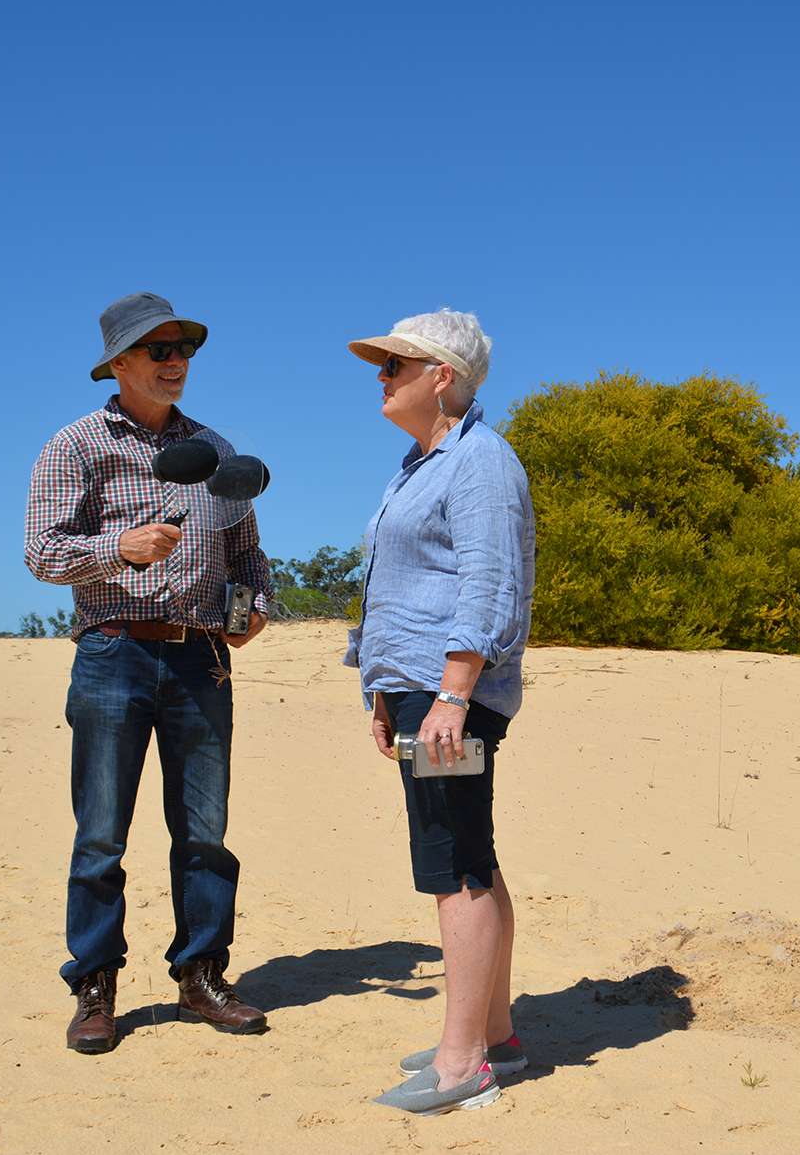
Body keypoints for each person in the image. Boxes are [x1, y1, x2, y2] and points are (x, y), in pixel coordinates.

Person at [25, 291, 272, 1054]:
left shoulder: (218, 450)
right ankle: (94, 987)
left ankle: (201, 974)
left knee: (205, 831)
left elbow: (247, 554)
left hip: (201, 655)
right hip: (112, 651)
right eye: (158, 350)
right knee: (101, 832)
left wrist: (257, 604)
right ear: (120, 363)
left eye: (184, 350)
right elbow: (41, 553)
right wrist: (117, 549)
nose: (175, 363)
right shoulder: (75, 445)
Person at [341, 309, 535, 1116]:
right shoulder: (417, 465)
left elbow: (487, 583)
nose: (381, 376)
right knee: (470, 854)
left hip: (452, 695)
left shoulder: (480, 461)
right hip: (419, 690)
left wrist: (452, 695)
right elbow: (402, 588)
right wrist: (382, 690)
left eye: (396, 364)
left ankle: (464, 1062)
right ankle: (497, 1035)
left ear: (441, 376)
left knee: (453, 864)